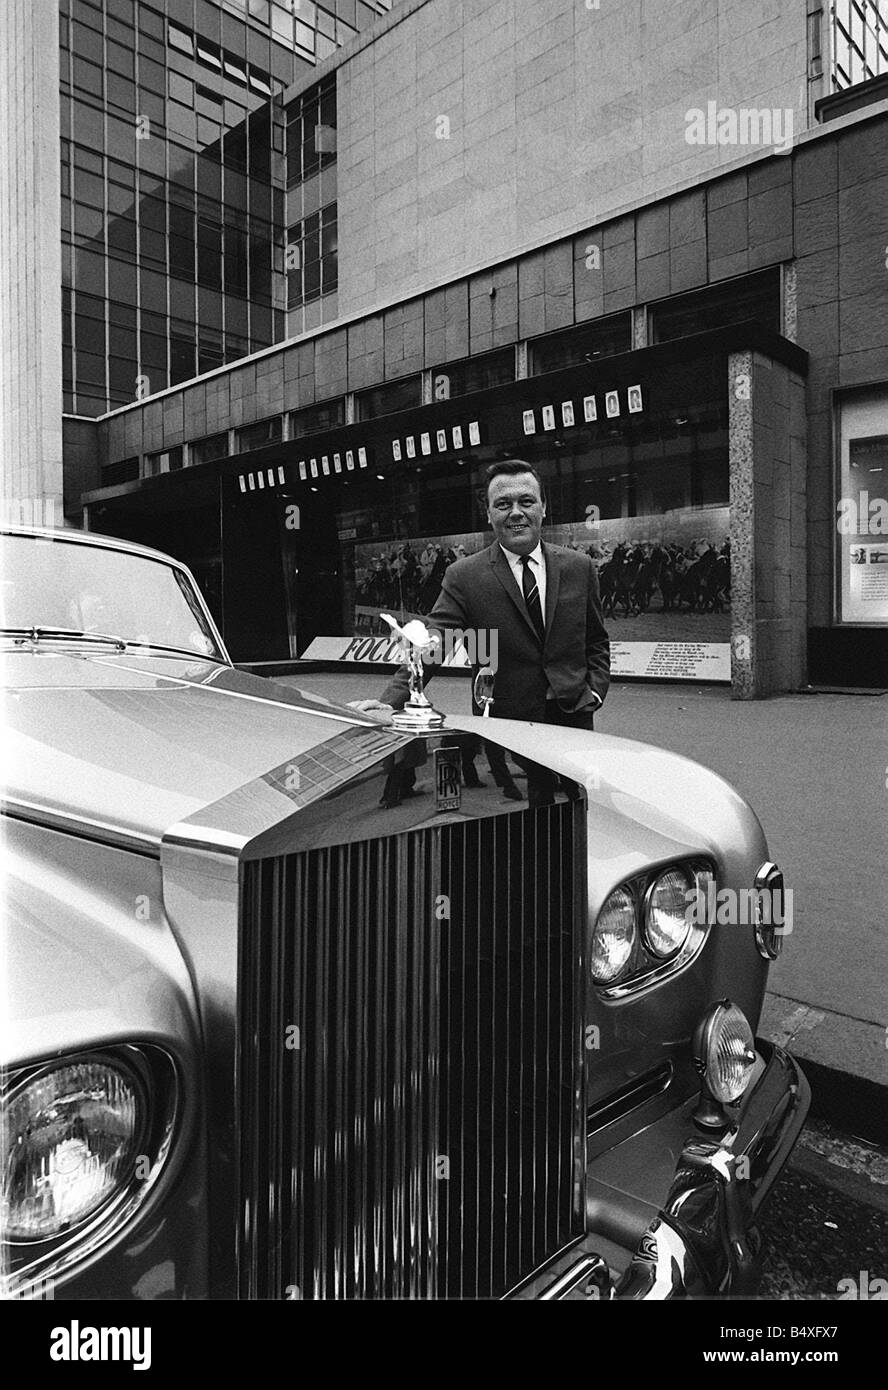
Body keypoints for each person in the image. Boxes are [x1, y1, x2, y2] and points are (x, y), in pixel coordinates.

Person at [352, 459, 610, 805]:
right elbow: (435, 641)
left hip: (573, 714)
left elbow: (596, 639)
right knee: (529, 815)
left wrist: (594, 692)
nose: (516, 512)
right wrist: (387, 704)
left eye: (526, 501)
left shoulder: (580, 567)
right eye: (503, 504)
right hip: (510, 724)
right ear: (488, 514)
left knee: (580, 810)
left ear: (543, 508)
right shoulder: (465, 576)